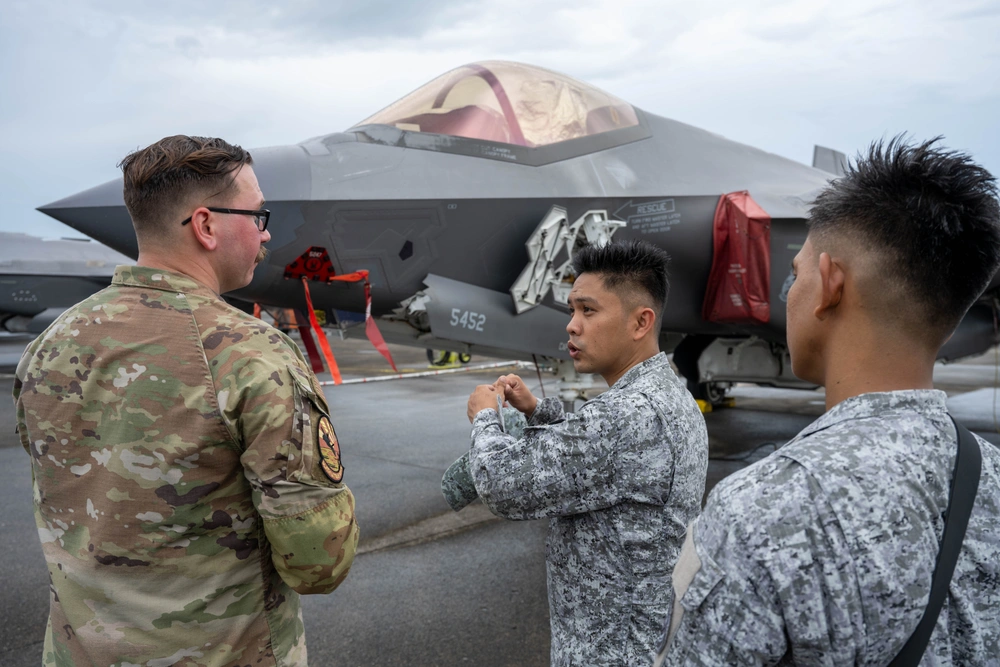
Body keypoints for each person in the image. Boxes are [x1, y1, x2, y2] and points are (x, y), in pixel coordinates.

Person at [13, 135, 358, 666]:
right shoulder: (252, 354)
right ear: (206, 225)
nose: (266, 235)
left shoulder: (50, 344)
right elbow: (318, 561)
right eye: (258, 215)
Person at [659, 137, 1000, 665]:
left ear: (830, 286)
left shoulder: (757, 511)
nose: (788, 292)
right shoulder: (992, 477)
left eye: (796, 274)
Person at [448, 239, 708, 666]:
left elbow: (501, 485)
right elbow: (601, 461)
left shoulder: (625, 415)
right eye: (572, 310)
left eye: (588, 310)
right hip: (644, 639)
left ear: (641, 322)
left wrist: (485, 419)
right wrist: (537, 411)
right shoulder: (665, 394)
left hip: (607, 652)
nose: (572, 325)